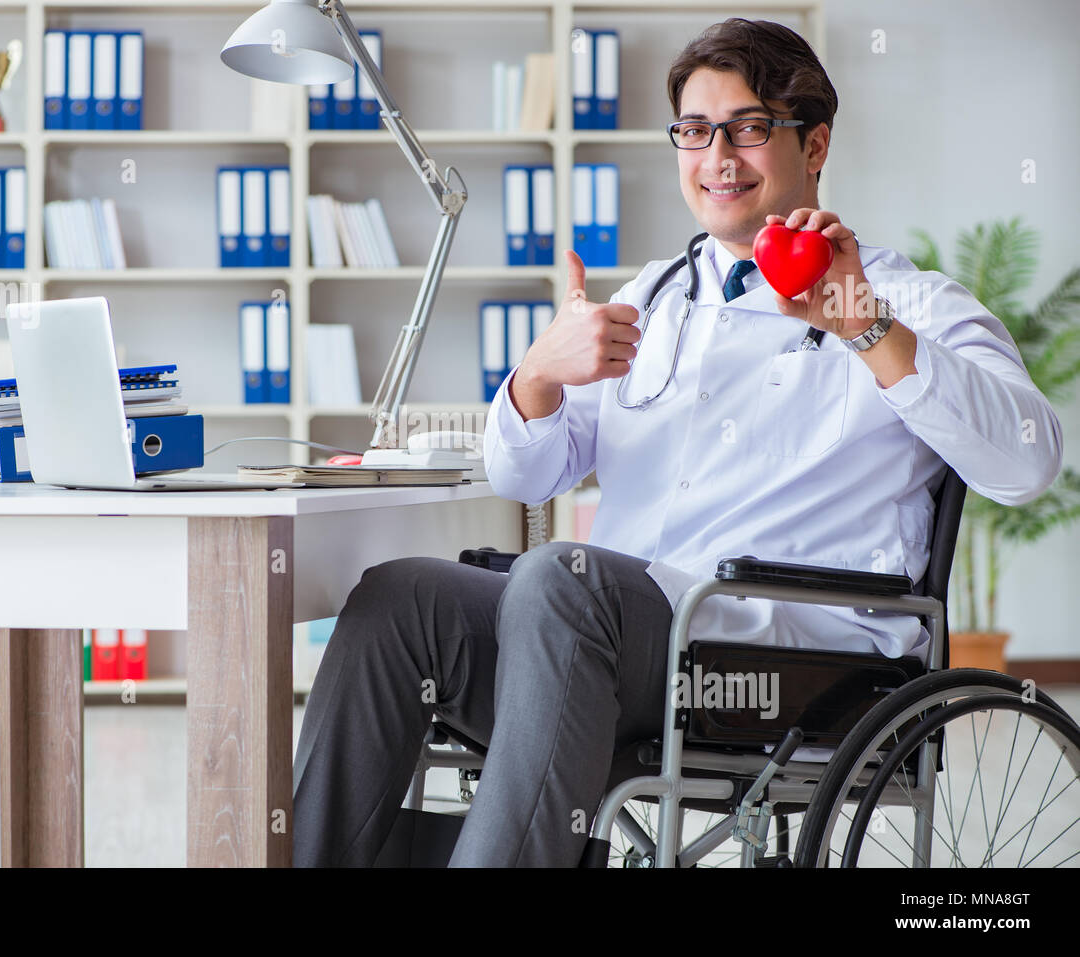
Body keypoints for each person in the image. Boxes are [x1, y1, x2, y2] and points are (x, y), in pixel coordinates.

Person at [291, 17, 1063, 867]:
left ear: (817, 145)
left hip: (776, 665)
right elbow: (527, 469)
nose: (718, 157)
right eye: (696, 132)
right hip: (599, 641)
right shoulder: (652, 297)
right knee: (398, 601)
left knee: (561, 577)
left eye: (750, 128)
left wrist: (865, 327)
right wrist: (539, 376)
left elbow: (1027, 460)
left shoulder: (908, 302)